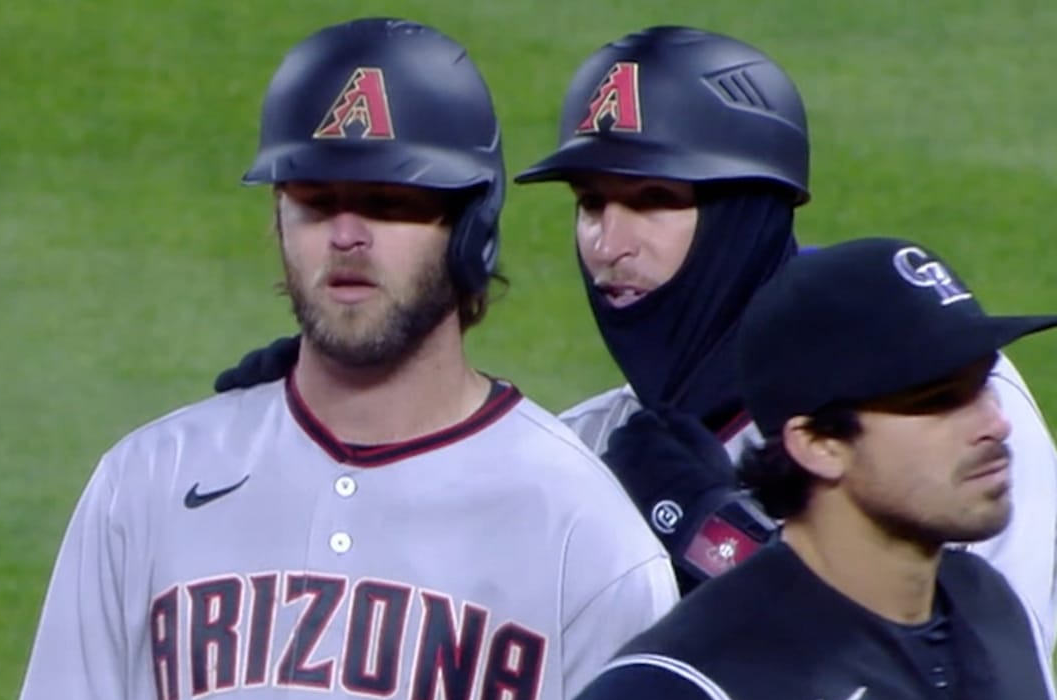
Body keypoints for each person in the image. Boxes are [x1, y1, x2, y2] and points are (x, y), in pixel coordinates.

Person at [6, 18, 678, 700]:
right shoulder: (148, 483)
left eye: (391, 204)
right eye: (316, 202)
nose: (347, 234)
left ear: (470, 229)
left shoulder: (582, 530)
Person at [213, 26, 1057, 644]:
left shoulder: (936, 396)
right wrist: (336, 430)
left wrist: (719, 543)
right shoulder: (589, 448)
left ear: (745, 217)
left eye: (654, 201)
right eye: (590, 205)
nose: (609, 245)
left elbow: (974, 694)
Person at [438, 237, 1057, 700]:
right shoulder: (687, 696)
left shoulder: (989, 606)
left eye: (981, 385)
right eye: (936, 401)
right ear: (818, 444)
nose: (994, 422)